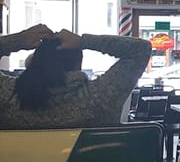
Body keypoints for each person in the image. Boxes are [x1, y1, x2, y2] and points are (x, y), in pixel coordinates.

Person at [0, 25, 151, 129]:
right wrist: (83, 41)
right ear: (79, 62)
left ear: (34, 62)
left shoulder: (8, 97)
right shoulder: (98, 97)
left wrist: (17, 40)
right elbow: (141, 49)